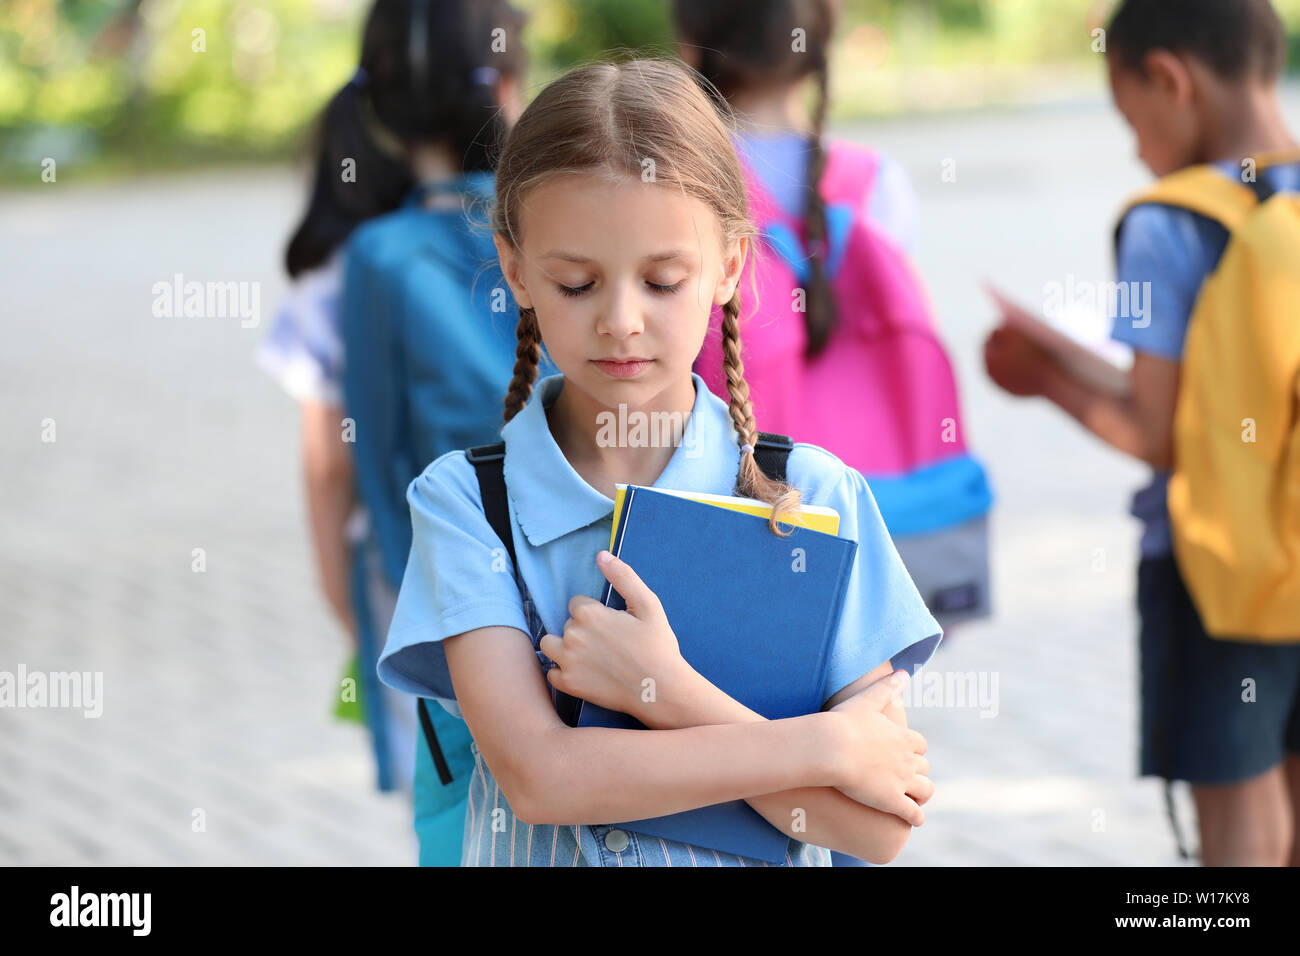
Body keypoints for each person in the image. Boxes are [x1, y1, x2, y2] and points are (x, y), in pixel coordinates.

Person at [377, 58, 942, 867]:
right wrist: (823, 747)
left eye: (662, 280)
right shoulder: (468, 504)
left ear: (730, 267)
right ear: (514, 269)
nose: (621, 321)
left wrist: (670, 693)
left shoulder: (814, 497)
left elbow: (875, 828)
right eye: (576, 284)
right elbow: (541, 777)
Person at [985, 0, 1300, 866]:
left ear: (1170, 78)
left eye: (1132, 119)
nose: (1135, 147)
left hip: (1215, 573)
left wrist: (1041, 380)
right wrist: (1064, 353)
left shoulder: (1168, 221)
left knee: (1239, 820)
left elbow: (1155, 433)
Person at [259, 0, 533, 865]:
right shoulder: (556, 226)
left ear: (371, 103)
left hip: (421, 580)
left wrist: (348, 601)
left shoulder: (357, 257)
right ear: (509, 86)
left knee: (454, 810)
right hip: (576, 558)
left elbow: (333, 463)